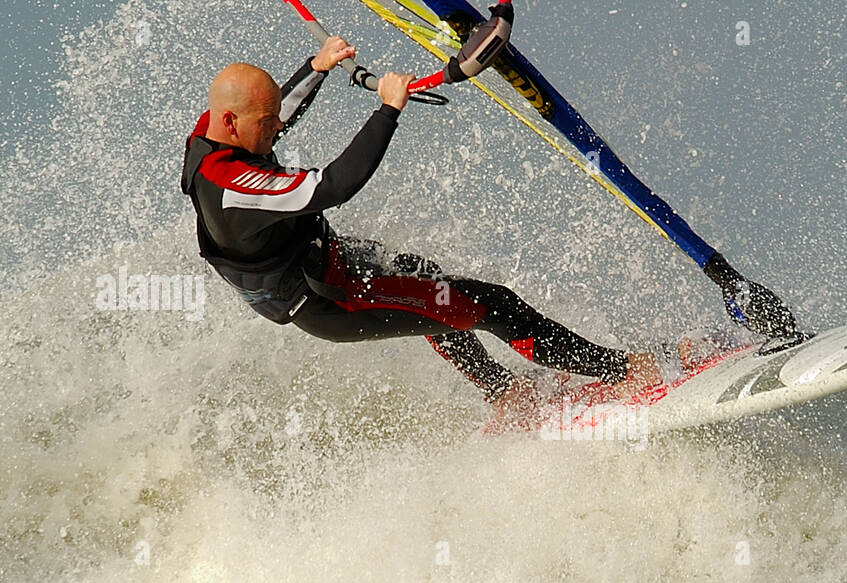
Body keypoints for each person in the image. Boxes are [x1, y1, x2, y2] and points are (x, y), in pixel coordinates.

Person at [181, 36, 663, 424]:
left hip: (323, 262)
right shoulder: (232, 187)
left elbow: (274, 112)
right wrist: (389, 109)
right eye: (265, 126)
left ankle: (503, 393)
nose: (275, 132)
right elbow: (332, 186)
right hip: (332, 297)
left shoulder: (215, 130)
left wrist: (317, 66)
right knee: (491, 305)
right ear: (231, 121)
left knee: (422, 274)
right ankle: (623, 373)